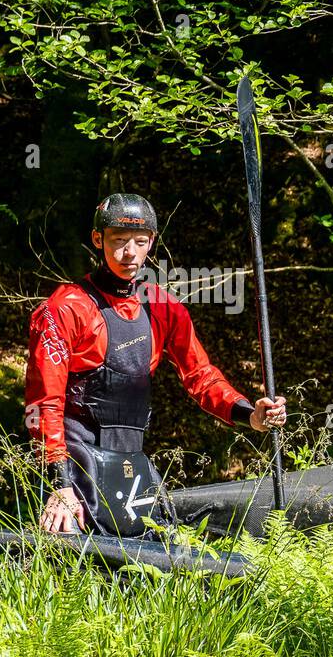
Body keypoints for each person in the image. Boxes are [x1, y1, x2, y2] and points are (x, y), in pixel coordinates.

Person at [25, 193, 287, 537]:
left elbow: (200, 376)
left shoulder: (162, 306)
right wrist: (58, 484)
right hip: (73, 461)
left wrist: (248, 413)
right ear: (98, 239)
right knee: (75, 564)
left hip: (129, 460)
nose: (130, 252)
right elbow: (45, 400)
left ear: (152, 243)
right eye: (119, 240)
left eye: (140, 241)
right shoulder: (66, 307)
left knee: (149, 562)